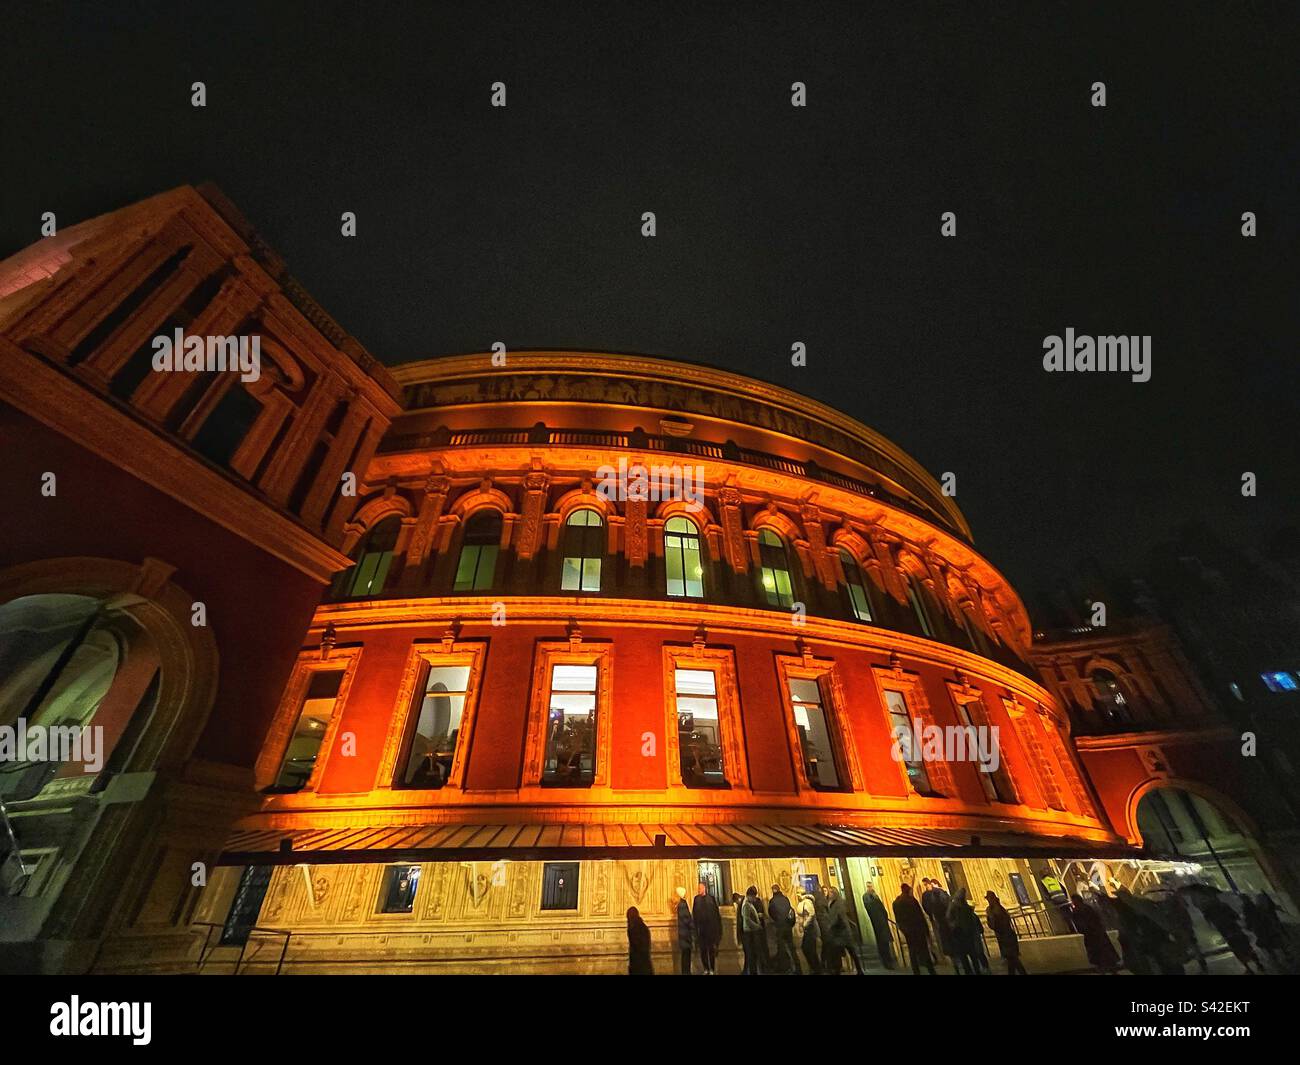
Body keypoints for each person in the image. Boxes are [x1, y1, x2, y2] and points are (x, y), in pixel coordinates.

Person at [1195, 888, 1260, 974]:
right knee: (1247, 947)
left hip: (1226, 932)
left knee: (1237, 950)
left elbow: (1210, 924)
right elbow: (1235, 916)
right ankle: (1258, 964)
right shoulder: (1223, 905)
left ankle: (1248, 968)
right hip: (1235, 929)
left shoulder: (1208, 911)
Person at [892, 882, 936, 975]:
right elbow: (919, 915)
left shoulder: (896, 903)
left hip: (908, 931)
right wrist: (926, 929)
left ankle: (916, 971)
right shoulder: (911, 900)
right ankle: (931, 970)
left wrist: (903, 929)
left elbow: (898, 918)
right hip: (917, 929)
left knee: (912, 952)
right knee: (924, 951)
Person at [1070, 892, 1120, 973]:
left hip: (1091, 934)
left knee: (1097, 952)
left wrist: (1084, 931)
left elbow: (1079, 924)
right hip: (1097, 932)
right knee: (1105, 949)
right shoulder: (1088, 907)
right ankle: (1111, 967)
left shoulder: (1077, 911)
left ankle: (1104, 967)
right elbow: (1097, 918)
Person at [985, 890, 1028, 975]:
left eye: (989, 899)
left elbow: (996, 924)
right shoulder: (998, 908)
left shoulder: (995, 909)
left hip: (1006, 936)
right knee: (1011, 960)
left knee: (1013, 959)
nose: (988, 901)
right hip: (1006, 935)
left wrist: (990, 918)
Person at [826, 886, 865, 975]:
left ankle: (858, 970)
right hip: (839, 932)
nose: (829, 894)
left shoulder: (839, 903)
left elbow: (839, 916)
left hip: (842, 931)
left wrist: (831, 925)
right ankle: (855, 970)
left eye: (831, 892)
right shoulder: (832, 903)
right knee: (845, 952)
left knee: (849, 952)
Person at [946, 888, 984, 975]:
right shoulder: (963, 908)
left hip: (962, 934)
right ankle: (975, 970)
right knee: (970, 955)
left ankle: (971, 970)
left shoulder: (959, 908)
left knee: (967, 956)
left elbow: (948, 918)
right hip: (964, 934)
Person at [921, 877, 955, 967]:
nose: (925, 886)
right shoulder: (927, 895)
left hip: (940, 918)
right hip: (937, 918)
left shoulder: (937, 893)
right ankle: (944, 957)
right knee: (940, 938)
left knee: (944, 937)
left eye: (926, 884)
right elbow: (925, 906)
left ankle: (948, 956)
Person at [767, 883, 802, 973]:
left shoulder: (773, 901)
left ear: (773, 890)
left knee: (781, 947)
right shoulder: (786, 899)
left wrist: (777, 920)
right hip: (788, 926)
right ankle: (798, 967)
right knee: (791, 947)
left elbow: (771, 913)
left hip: (779, 926)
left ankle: (785, 967)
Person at [861, 884, 896, 969]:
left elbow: (882, 908)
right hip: (877, 923)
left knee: (885, 942)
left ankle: (889, 960)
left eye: (871, 886)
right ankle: (886, 961)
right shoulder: (867, 897)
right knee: (882, 942)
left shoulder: (875, 896)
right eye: (868, 886)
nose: (871, 888)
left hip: (883, 922)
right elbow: (870, 908)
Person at [692, 883, 722, 975]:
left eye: (700, 888)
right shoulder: (696, 899)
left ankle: (712, 968)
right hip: (701, 930)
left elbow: (716, 914)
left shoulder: (711, 899)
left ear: (705, 888)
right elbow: (694, 914)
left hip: (711, 929)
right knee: (703, 950)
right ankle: (706, 968)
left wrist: (718, 929)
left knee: (711, 950)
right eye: (698, 888)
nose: (699, 889)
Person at [740, 885, 766, 975]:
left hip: (751, 932)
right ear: (750, 896)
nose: (755, 898)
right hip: (749, 933)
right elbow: (747, 919)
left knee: (753, 954)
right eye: (754, 896)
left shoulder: (749, 903)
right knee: (751, 955)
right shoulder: (746, 905)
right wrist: (757, 926)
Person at [797, 891, 823, 973]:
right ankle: (815, 968)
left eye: (798, 893)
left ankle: (816, 969)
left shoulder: (807, 902)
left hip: (810, 929)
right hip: (807, 929)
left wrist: (805, 924)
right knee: (808, 949)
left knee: (809, 949)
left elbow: (811, 914)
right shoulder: (803, 902)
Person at [674, 886, 694, 975]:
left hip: (683, 934)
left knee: (685, 955)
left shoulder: (680, 904)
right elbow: (686, 919)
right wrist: (692, 925)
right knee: (686, 955)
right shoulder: (682, 904)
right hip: (685, 934)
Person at [627, 907, 653, 975]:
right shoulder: (642, 926)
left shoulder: (634, 928)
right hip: (643, 961)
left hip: (639, 963)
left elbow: (636, 944)